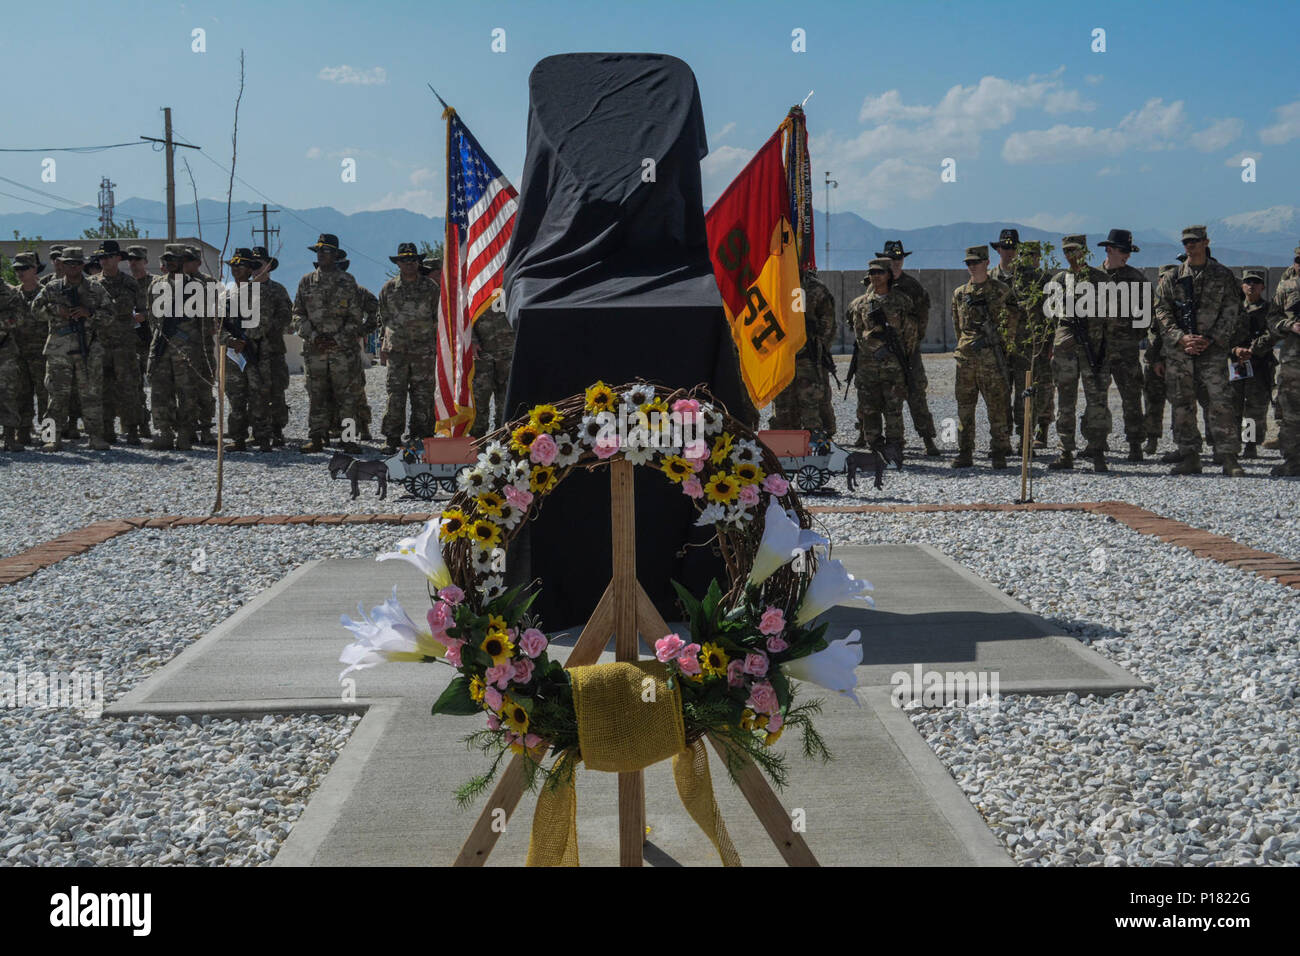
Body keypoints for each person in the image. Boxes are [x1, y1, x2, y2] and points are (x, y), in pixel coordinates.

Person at [1153, 225, 1244, 476]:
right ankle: (1189, 455)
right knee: (1182, 403)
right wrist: (1180, 337)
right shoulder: (1173, 277)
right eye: (1186, 242)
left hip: (1212, 350)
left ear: (1206, 242)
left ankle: (1228, 456)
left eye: (1194, 241)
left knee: (1220, 402)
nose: (1190, 246)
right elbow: (1161, 311)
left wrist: (1212, 339)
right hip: (1181, 351)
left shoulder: (1223, 275)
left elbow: (1231, 311)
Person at [31, 247, 113, 451]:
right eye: (69, 263)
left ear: (83, 265)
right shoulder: (52, 288)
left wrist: (89, 313)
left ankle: (95, 437)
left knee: (91, 395)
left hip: (88, 348)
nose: (73, 267)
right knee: (56, 395)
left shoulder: (96, 288)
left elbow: (110, 315)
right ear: (62, 264)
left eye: (77, 263)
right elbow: (35, 310)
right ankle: (51, 437)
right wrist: (55, 310)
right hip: (59, 349)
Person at [951, 245, 1022, 469]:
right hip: (966, 360)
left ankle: (999, 451)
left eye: (976, 262)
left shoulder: (1001, 291)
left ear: (986, 263)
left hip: (992, 359)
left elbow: (1011, 324)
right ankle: (965, 452)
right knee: (964, 408)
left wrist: (1000, 347)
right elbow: (957, 326)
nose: (972, 267)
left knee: (997, 407)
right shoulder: (960, 293)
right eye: (969, 263)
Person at [1048, 235, 1113, 472]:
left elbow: (1112, 318)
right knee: (1065, 403)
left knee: (1097, 402)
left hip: (1093, 350)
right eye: (1066, 250)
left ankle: (1096, 450)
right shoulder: (1058, 280)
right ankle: (1065, 450)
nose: (1070, 254)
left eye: (1075, 250)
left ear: (1084, 251)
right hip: (1065, 350)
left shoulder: (1100, 280)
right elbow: (1051, 317)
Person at [293, 234, 361, 453]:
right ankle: (317, 438)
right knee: (316, 395)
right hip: (315, 350)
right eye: (319, 251)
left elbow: (355, 317)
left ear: (336, 255)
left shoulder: (348, 282)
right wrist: (314, 337)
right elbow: (297, 315)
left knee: (346, 397)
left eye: (326, 251)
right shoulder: (306, 281)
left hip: (342, 350)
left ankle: (348, 439)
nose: (321, 255)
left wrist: (337, 339)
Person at [989, 230, 1053, 451]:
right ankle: (1003, 438)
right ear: (998, 250)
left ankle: (1025, 436)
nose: (1009, 253)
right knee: (999, 394)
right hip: (998, 347)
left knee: (1025, 394)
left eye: (1013, 248)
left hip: (1026, 346)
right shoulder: (989, 279)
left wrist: (1047, 342)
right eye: (1004, 248)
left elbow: (1050, 312)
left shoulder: (1035, 279)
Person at [845, 257, 914, 457]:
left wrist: (900, 355)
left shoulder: (901, 301)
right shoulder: (860, 304)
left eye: (879, 272)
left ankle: (894, 445)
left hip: (893, 365)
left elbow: (911, 333)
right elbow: (858, 333)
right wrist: (872, 344)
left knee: (893, 408)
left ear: (889, 275)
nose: (875, 276)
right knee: (869, 408)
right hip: (868, 365)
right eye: (872, 273)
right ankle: (874, 444)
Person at [878, 240, 939, 455]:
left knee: (916, 395)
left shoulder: (912, 287)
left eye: (898, 259)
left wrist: (911, 340)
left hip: (907, 352)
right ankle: (872, 437)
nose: (895, 263)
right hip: (882, 354)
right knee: (877, 395)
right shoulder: (873, 285)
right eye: (891, 260)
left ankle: (928, 440)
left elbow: (922, 317)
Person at [378, 242, 439, 454]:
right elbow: (384, 319)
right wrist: (383, 345)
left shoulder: (431, 288)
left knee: (423, 395)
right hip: (398, 352)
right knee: (395, 394)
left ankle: (421, 435)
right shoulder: (388, 289)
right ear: (398, 263)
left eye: (412, 259)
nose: (409, 263)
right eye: (404, 260)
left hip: (423, 352)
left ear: (418, 261)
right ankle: (392, 437)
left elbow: (437, 318)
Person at [145, 245, 203, 450]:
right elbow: (152, 317)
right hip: (161, 344)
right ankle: (164, 432)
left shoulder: (196, 287)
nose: (170, 263)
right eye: (167, 259)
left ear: (183, 262)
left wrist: (185, 338)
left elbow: (202, 321)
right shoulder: (156, 285)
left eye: (174, 259)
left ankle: (185, 432)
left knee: (186, 391)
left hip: (185, 348)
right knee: (160, 390)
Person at [218, 249, 276, 452]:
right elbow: (215, 324)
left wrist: (245, 339)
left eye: (240, 265)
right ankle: (238, 437)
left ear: (250, 269)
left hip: (256, 352)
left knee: (259, 396)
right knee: (236, 398)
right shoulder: (225, 293)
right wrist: (230, 340)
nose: (235, 269)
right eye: (233, 266)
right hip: (233, 355)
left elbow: (265, 321)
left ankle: (262, 437)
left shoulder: (261, 292)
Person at [769, 266, 836, 437]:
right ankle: (786, 442)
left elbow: (828, 323)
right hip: (782, 356)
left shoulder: (815, 289)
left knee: (811, 400)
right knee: (783, 402)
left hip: (808, 357)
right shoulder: (771, 286)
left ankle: (816, 440)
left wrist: (817, 346)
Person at [90, 240, 145, 445]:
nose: (104, 261)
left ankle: (131, 429)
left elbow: (143, 308)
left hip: (125, 344)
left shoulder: (130, 283)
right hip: (101, 343)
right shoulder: (93, 284)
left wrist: (142, 316)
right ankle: (106, 429)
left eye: (108, 257)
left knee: (129, 387)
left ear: (118, 258)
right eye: (101, 258)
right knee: (103, 387)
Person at [1233, 269, 1279, 459]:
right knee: (1234, 405)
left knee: (1253, 408)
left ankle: (1250, 444)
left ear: (1262, 286)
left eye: (1255, 282)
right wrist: (1236, 350)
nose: (1251, 286)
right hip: (1235, 364)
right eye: (1247, 282)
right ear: (1242, 286)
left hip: (1259, 365)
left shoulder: (1270, 310)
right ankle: (1231, 445)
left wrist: (1253, 349)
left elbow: (1274, 332)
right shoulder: (1234, 309)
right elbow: (1223, 332)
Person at [250, 245, 293, 445]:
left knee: (276, 391)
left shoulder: (278, 290)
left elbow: (286, 316)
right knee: (254, 392)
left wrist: (266, 330)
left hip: (273, 349)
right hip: (251, 351)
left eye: (258, 264)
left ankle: (277, 430)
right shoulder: (243, 290)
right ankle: (258, 431)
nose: (255, 268)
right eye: (252, 265)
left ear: (268, 266)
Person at [8, 252, 48, 445]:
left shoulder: (47, 293)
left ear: (34, 269)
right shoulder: (12, 295)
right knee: (21, 394)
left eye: (24, 268)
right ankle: (22, 432)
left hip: (42, 354)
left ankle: (48, 435)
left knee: (46, 396)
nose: (20, 273)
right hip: (18, 354)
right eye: (17, 269)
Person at [337, 254, 377, 442]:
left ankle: (360, 428)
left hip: (349, 349)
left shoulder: (358, 291)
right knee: (325, 393)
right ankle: (337, 431)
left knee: (354, 392)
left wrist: (362, 331)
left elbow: (375, 312)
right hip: (322, 350)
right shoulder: (316, 289)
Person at [1143, 263, 1181, 455]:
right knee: (1152, 401)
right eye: (1163, 278)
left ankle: (1180, 442)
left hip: (1177, 360)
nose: (1167, 282)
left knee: (1181, 402)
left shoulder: (1180, 304)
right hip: (1155, 360)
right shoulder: (1152, 303)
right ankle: (1152, 439)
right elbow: (1152, 335)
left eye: (1171, 278)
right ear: (1158, 280)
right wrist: (1155, 360)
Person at [181, 246, 217, 444]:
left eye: (190, 260)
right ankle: (187, 428)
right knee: (185, 390)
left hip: (203, 345)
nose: (186, 264)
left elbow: (218, 312)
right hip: (182, 346)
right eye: (183, 260)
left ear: (198, 262)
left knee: (204, 388)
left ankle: (205, 428)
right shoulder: (175, 283)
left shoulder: (209, 283)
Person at [1268, 252, 1300, 475]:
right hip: (1293, 360)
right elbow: (1272, 317)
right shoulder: (1286, 287)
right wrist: (1289, 326)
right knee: (1290, 412)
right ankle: (1293, 461)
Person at [124, 245, 154, 437]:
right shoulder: (125, 283)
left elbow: (165, 309)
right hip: (129, 342)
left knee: (156, 385)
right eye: (131, 260)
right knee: (133, 386)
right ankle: (137, 424)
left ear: (145, 261)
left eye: (137, 259)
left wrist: (146, 315)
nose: (134, 263)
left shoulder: (155, 283)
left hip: (150, 341)